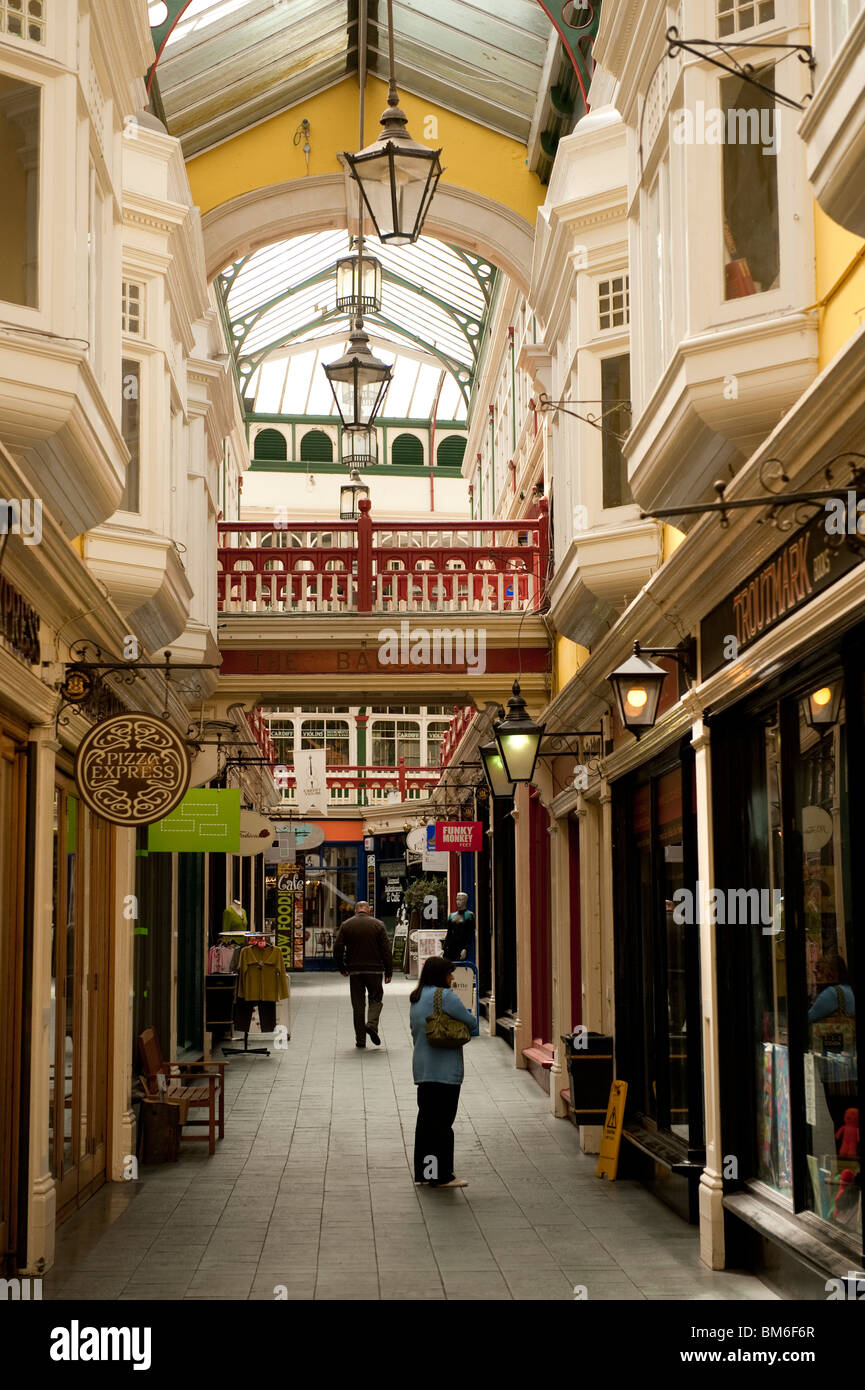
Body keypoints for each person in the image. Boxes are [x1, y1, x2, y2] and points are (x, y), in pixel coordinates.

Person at [409, 955, 479, 1189]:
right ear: (440, 975)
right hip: (445, 1071)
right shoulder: (445, 996)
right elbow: (472, 1023)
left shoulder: (416, 998)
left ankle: (425, 1172)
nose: (451, 977)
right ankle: (442, 1176)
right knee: (442, 1124)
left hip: (423, 1069)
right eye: (449, 973)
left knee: (426, 1122)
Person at [332, 900, 393, 1048]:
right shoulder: (378, 925)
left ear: (356, 911)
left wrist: (342, 967)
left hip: (355, 971)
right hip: (375, 970)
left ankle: (360, 1040)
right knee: (376, 997)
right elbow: (386, 950)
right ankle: (371, 1024)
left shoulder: (347, 925)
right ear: (368, 910)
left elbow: (337, 948)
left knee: (358, 1005)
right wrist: (389, 970)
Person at [442, 892, 475, 962]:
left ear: (465, 901)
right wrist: (444, 948)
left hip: (461, 947)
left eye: (461, 900)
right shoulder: (452, 916)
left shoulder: (469, 915)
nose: (458, 902)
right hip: (450, 948)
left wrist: (465, 948)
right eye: (457, 899)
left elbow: (470, 934)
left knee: (461, 967)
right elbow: (449, 934)